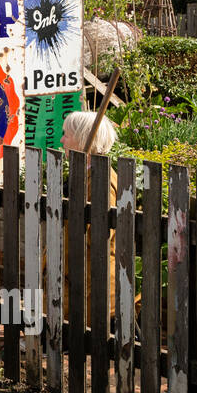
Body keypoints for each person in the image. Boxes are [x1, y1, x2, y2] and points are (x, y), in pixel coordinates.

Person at [59, 111, 122, 332]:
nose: (61, 140)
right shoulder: (84, 173)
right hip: (76, 275)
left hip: (92, 281)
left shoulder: (101, 180)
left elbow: (99, 234)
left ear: (83, 139)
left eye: (66, 135)